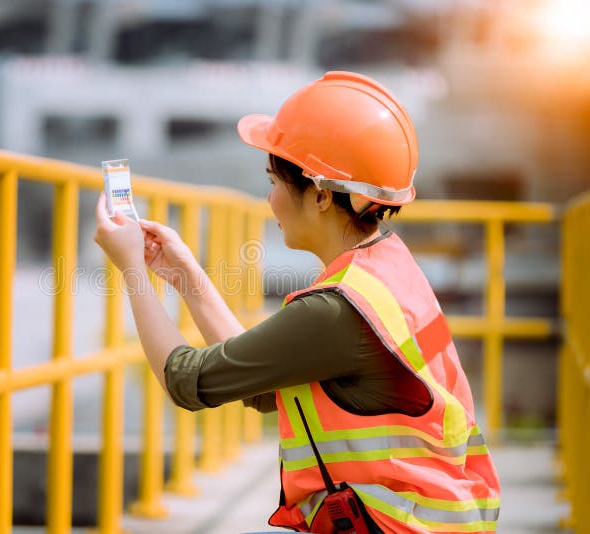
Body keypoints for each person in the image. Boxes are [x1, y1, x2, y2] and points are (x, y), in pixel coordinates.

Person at [94, 71, 501, 533]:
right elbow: (259, 385)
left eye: (274, 181)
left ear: (322, 195)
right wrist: (185, 274)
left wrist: (129, 266)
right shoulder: (385, 269)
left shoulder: (335, 311)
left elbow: (186, 381)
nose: (268, 199)